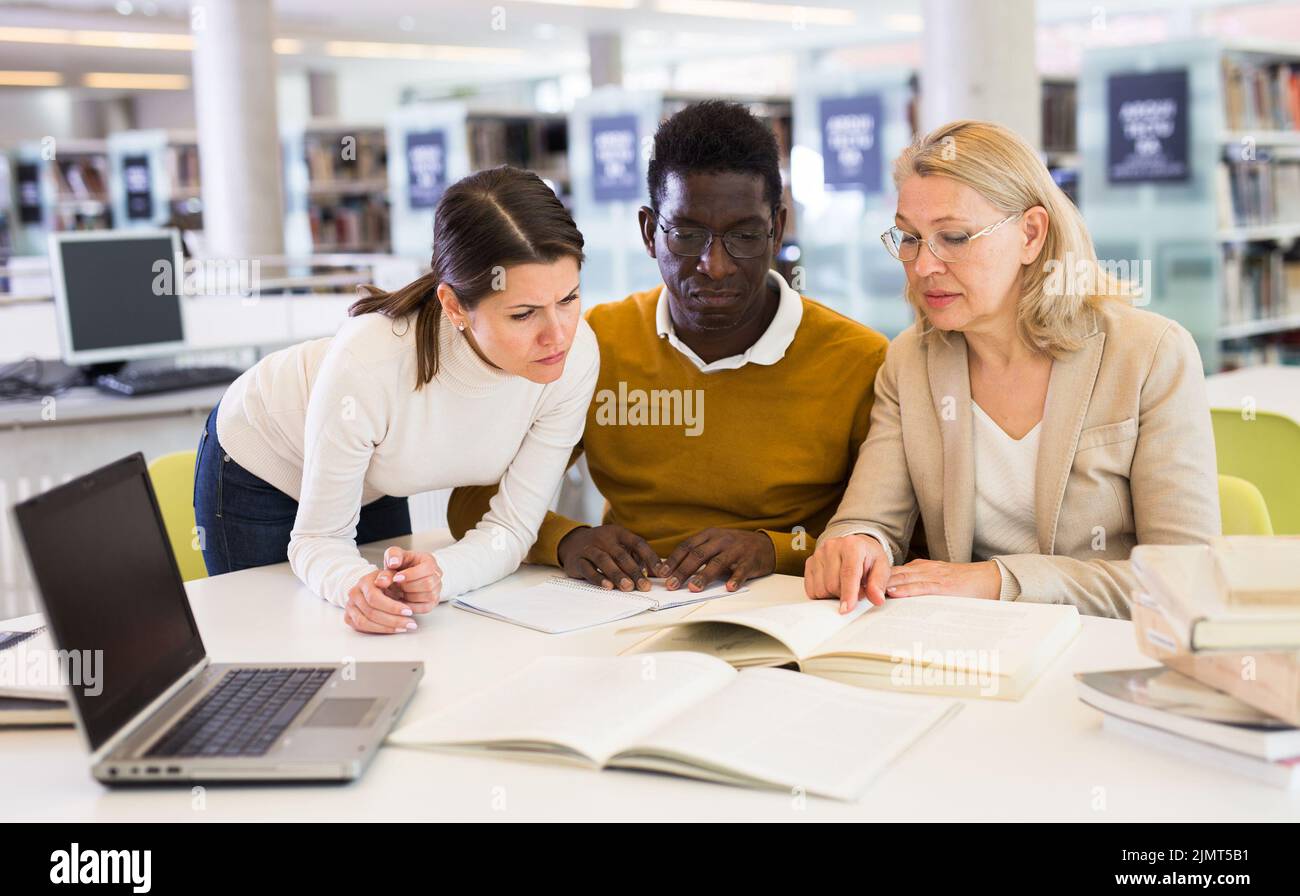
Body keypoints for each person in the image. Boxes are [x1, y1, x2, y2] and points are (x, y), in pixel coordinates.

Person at [449, 101, 889, 594]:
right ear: (648, 232)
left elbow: (894, 531)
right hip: (623, 605)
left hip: (791, 607)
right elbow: (474, 500)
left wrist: (775, 548)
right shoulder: (592, 344)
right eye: (686, 234)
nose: (715, 265)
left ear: (777, 230)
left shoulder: (858, 360)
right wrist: (567, 539)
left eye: (743, 236)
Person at [804, 120, 1219, 619]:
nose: (923, 266)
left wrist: (999, 580)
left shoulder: (1150, 355)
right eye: (910, 238)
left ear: (1031, 234)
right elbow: (869, 518)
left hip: (1106, 652)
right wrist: (855, 543)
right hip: (970, 645)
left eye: (954, 237)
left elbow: (1185, 578)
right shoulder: (911, 359)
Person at [194, 166, 599, 635]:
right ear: (453, 306)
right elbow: (319, 538)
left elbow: (511, 531)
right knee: (274, 641)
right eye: (524, 314)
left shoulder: (575, 356)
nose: (558, 335)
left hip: (373, 473)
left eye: (568, 299)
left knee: (388, 622)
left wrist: (438, 575)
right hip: (260, 460)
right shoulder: (371, 361)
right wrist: (353, 586)